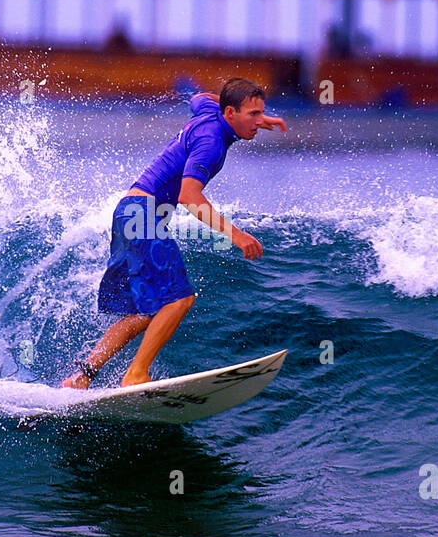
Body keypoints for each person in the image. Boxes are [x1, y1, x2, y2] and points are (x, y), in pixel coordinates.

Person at [62, 78, 287, 388]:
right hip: (144, 215)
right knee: (179, 299)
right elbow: (189, 196)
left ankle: (81, 376)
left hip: (128, 212)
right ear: (231, 113)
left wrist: (261, 118)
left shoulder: (210, 110)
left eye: (262, 113)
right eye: (253, 115)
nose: (259, 122)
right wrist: (236, 235)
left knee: (146, 311)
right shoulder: (211, 141)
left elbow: (201, 96)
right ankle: (135, 374)